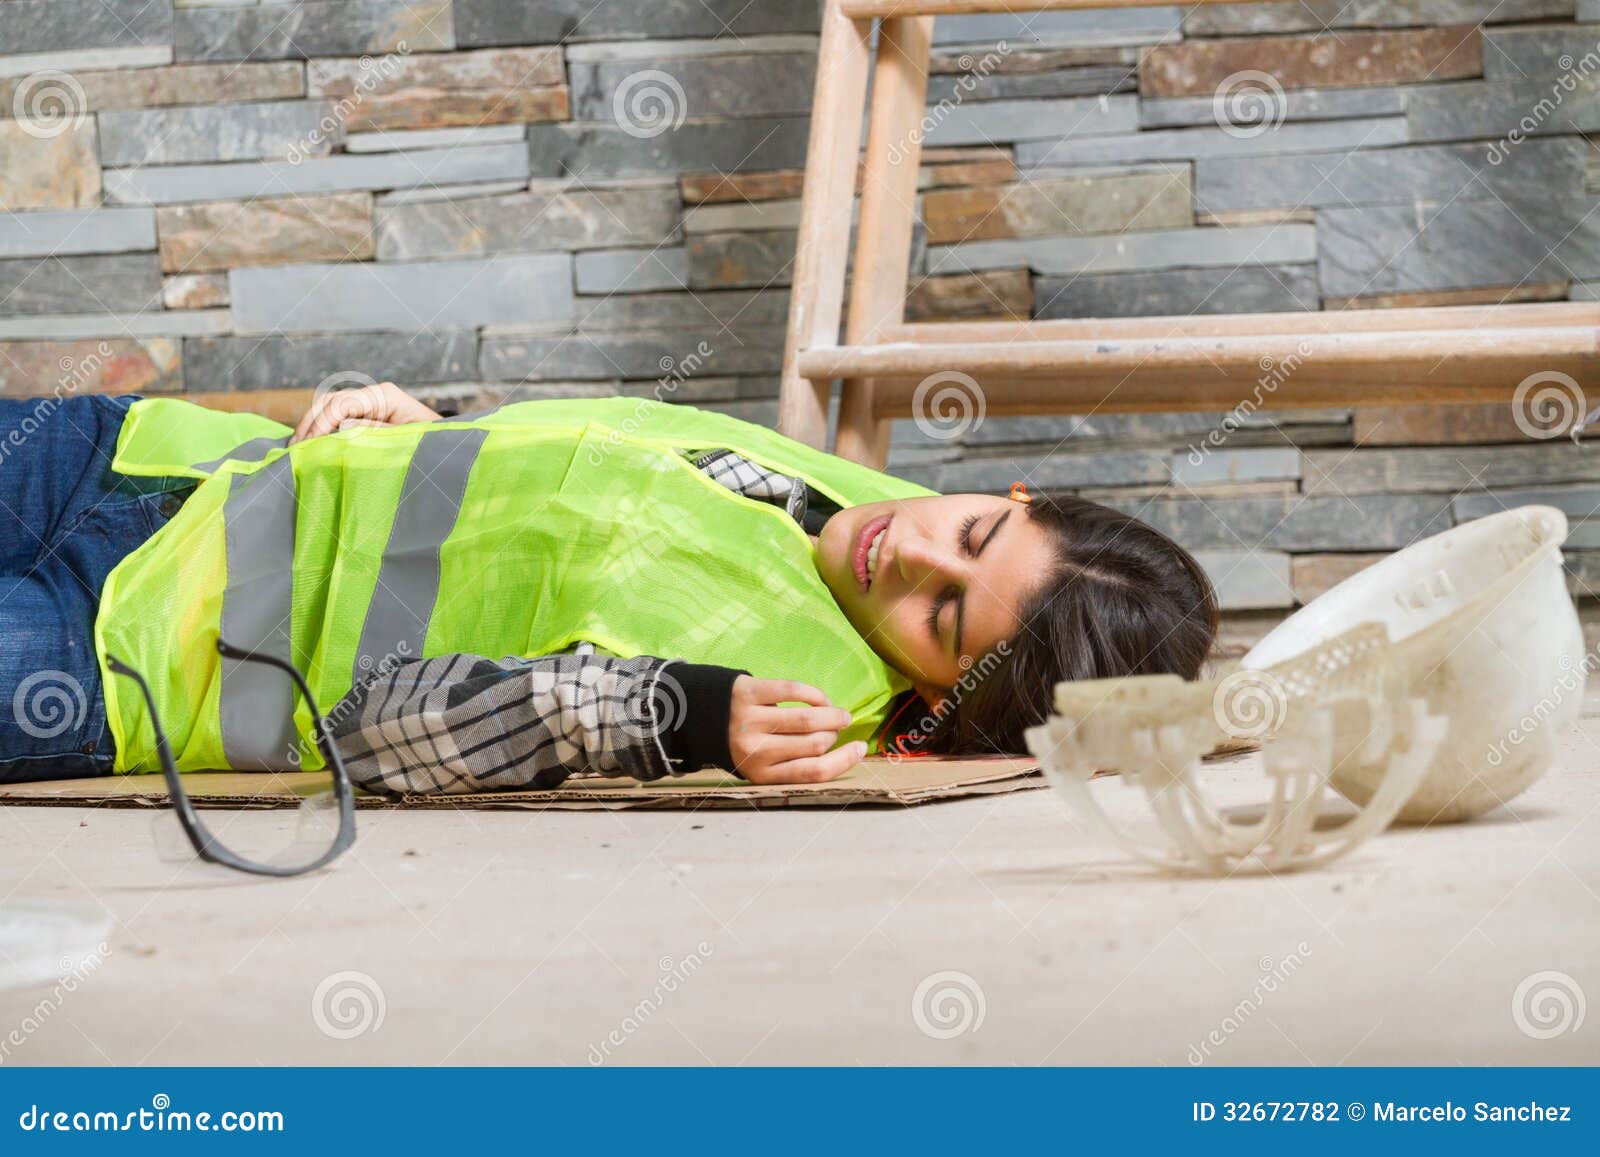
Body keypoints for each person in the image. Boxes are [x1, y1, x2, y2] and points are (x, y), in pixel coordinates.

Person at [0, 385, 1216, 793]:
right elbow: (576, 476)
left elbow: (374, 731)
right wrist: (434, 423)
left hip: (117, 653)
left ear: (941, 702)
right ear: (1011, 491)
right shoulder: (853, 495)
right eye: (972, 530)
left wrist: (665, 714)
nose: (911, 553)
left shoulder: (787, 701)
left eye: (943, 615)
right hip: (152, 459)